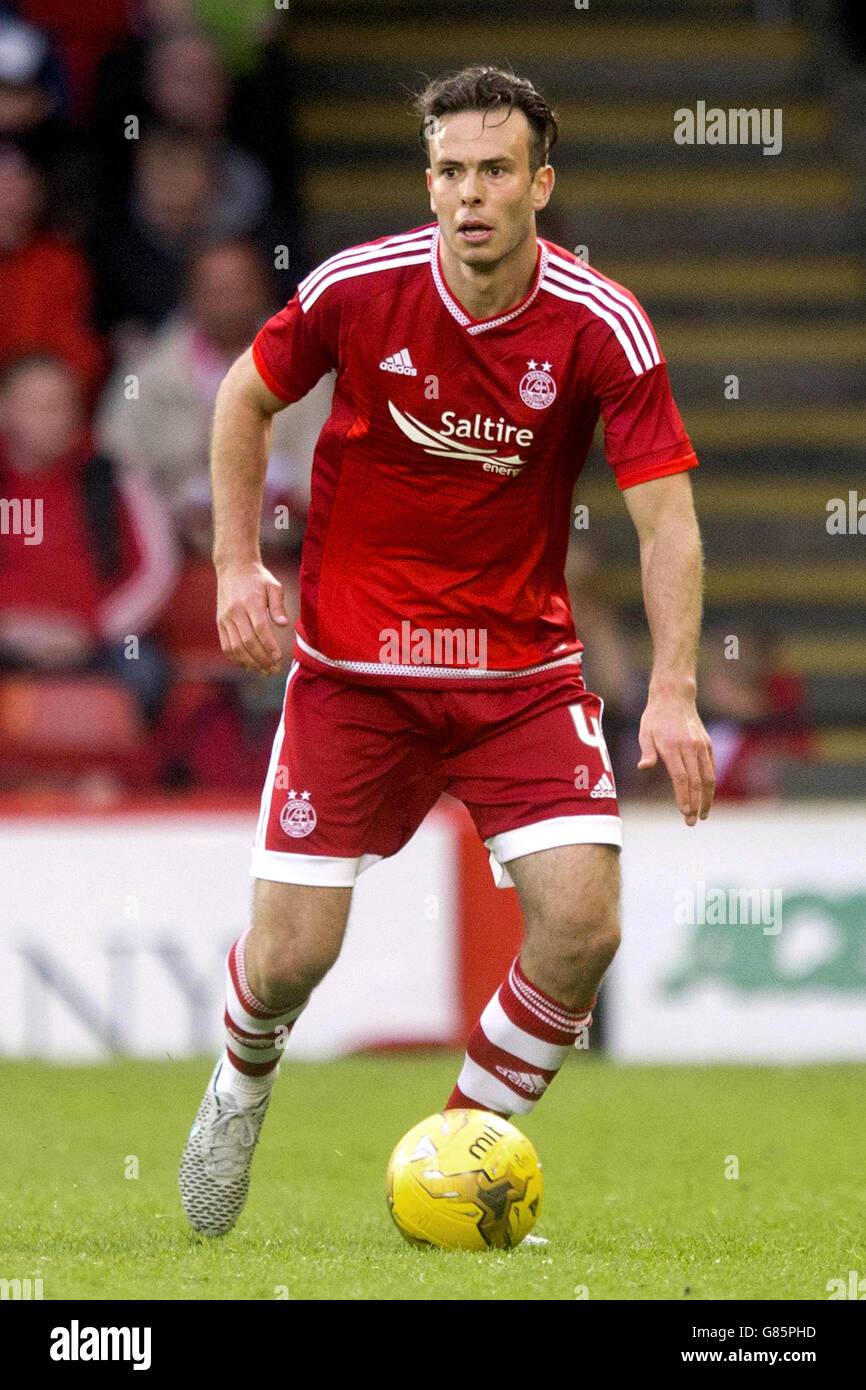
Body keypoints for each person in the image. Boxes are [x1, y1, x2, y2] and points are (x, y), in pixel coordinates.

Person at [179, 67, 716, 1237]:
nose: (469, 194)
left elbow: (663, 513)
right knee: (286, 960)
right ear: (428, 182)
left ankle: (458, 1149)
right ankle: (239, 1083)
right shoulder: (358, 289)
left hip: (517, 674)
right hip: (355, 672)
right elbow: (241, 397)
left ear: (538, 184)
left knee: (584, 926)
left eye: (494, 171)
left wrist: (670, 691)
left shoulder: (598, 323)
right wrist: (234, 564)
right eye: (450, 172)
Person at [0, 352, 178, 723]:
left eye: (62, 405)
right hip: (7, 635)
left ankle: (122, 778)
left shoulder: (114, 476)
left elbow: (159, 568)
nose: (52, 418)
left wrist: (94, 629)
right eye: (38, 405)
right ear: (5, 409)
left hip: (98, 641)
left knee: (146, 672)